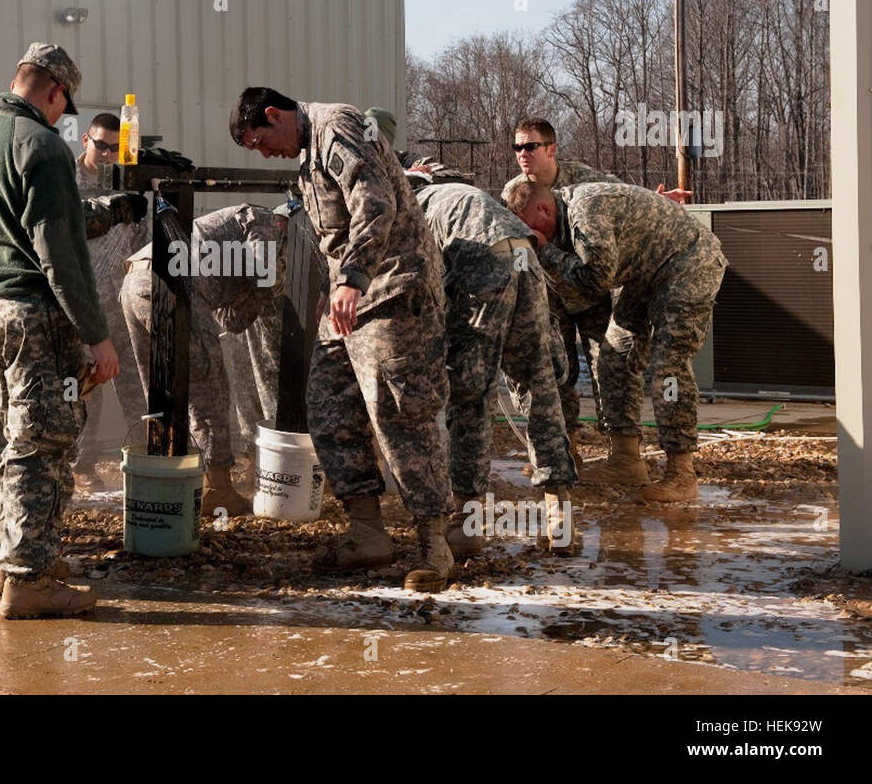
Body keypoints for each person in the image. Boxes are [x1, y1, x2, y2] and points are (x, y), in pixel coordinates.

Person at [0, 42, 136, 619]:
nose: (62, 118)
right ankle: (28, 579)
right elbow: (59, 254)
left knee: (17, 433)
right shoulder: (41, 147)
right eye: (64, 106)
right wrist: (96, 336)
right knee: (42, 441)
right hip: (33, 309)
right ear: (54, 91)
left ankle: (15, 559)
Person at [231, 86, 455, 592]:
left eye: (261, 142)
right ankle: (368, 531)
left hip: (395, 285)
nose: (266, 154)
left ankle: (434, 544)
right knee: (328, 403)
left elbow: (374, 203)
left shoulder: (336, 127)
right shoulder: (307, 151)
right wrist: (336, 285)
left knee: (402, 413)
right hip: (354, 293)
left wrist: (351, 277)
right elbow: (332, 227)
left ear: (274, 114)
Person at [506, 180, 727, 502]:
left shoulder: (585, 211)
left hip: (687, 265)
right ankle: (626, 460)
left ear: (543, 208)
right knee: (614, 356)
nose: (531, 235)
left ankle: (682, 474)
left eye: (530, 227)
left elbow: (595, 281)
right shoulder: (562, 214)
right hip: (644, 275)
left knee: (669, 367)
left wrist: (544, 250)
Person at [414, 181, 575, 552]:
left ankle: (465, 523)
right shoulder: (454, 193)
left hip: (483, 261)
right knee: (540, 384)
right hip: (523, 252)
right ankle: (560, 520)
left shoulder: (410, 208)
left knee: (470, 392)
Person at [120, 203, 287, 516]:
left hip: (137, 282)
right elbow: (265, 277)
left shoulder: (229, 239)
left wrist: (255, 293)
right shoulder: (262, 218)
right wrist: (279, 279)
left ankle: (166, 482)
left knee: (163, 388)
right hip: (173, 285)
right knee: (209, 387)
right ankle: (218, 489)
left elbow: (232, 322)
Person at [72, 113, 151, 485]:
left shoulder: (127, 189)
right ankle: (82, 467)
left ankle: (142, 461)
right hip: (83, 306)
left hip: (122, 304)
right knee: (85, 389)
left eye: (113, 149)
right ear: (86, 140)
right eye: (100, 145)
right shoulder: (66, 184)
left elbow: (142, 242)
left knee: (134, 386)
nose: (106, 155)